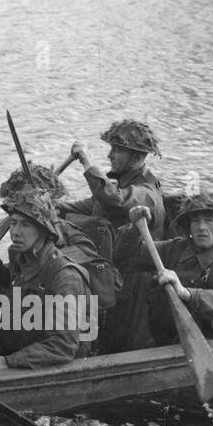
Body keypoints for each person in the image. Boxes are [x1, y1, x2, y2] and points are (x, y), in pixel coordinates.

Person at [59, 119, 165, 352]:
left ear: (137, 156)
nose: (110, 155)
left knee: (120, 342)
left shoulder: (145, 192)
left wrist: (86, 160)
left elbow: (114, 199)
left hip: (134, 282)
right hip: (110, 273)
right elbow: (90, 205)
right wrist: (54, 207)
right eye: (111, 148)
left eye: (118, 150)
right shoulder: (123, 181)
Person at [0, 189, 93, 370]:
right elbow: (17, 315)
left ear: (43, 231)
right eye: (13, 223)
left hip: (59, 366)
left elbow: (64, 345)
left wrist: (10, 361)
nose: (15, 232)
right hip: (27, 352)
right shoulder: (21, 263)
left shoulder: (64, 276)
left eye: (25, 225)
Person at [128, 192, 213, 345]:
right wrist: (133, 230)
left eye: (209, 220)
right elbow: (127, 256)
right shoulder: (174, 248)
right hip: (163, 342)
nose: (201, 227)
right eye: (195, 221)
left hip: (208, 345)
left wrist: (184, 292)